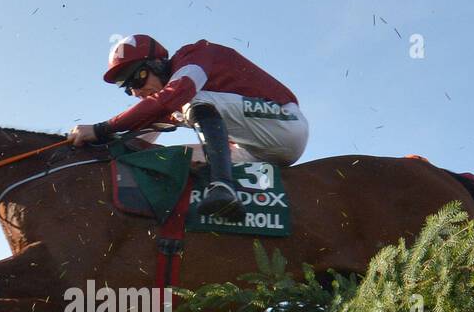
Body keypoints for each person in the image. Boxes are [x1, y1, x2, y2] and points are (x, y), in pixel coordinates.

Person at [67, 34, 308, 221]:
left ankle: (222, 187)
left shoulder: (194, 55)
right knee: (171, 158)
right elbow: (135, 139)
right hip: (257, 149)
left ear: (159, 64)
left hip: (286, 124)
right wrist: (94, 147)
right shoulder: (168, 103)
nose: (136, 91)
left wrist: (100, 128)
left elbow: (176, 94)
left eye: (138, 78)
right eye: (128, 87)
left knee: (191, 102)